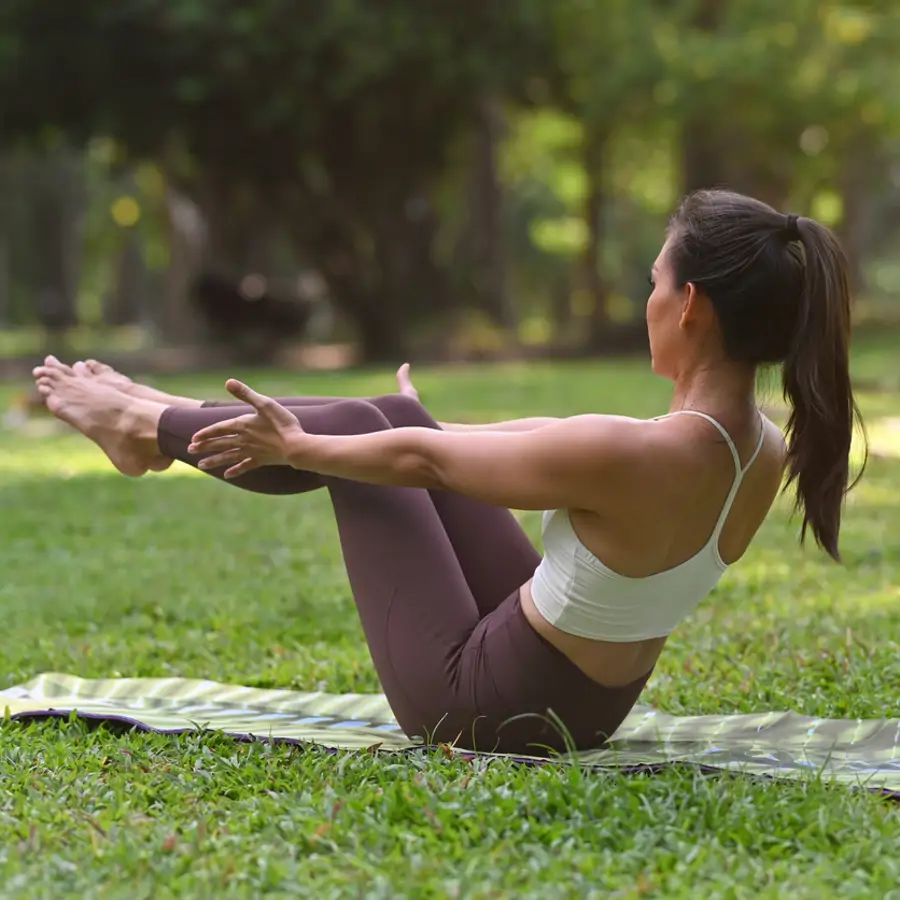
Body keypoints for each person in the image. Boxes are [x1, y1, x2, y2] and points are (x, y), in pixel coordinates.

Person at [33, 189, 864, 757]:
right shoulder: (760, 447)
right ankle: (151, 415)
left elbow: (427, 460)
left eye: (652, 281)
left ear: (690, 305)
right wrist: (413, 424)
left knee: (364, 434)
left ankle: (142, 426)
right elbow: (540, 438)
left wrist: (300, 449)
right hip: (591, 706)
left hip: (482, 707)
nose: (644, 299)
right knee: (386, 420)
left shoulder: (636, 452)